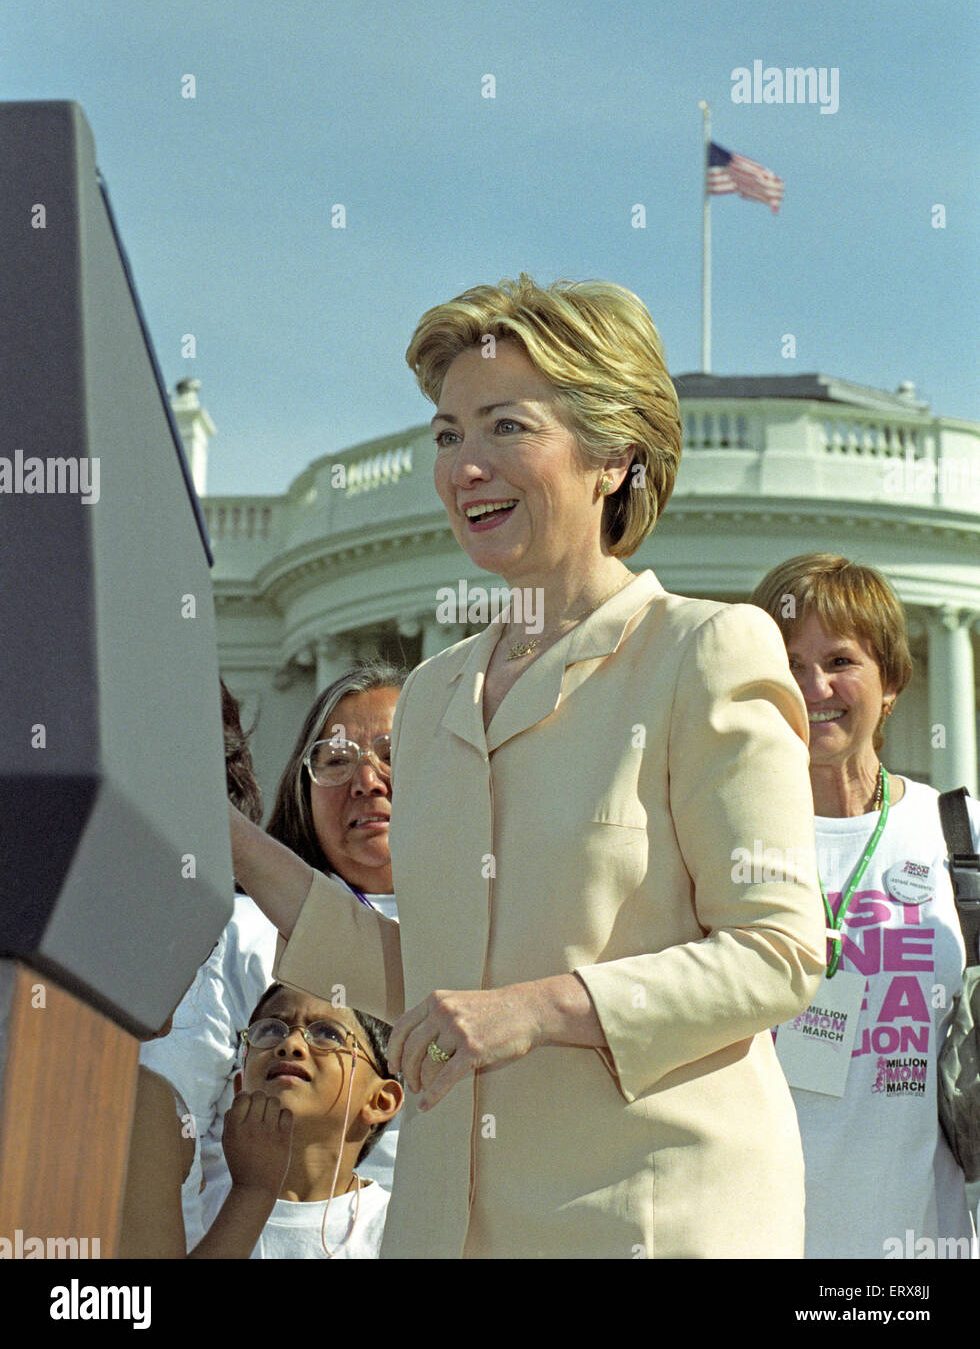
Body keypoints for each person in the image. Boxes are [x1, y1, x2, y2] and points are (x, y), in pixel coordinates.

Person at [231, 274, 826, 1258]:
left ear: (613, 456)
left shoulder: (706, 652)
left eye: (505, 427)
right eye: (447, 434)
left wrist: (541, 1007)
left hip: (650, 1226)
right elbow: (429, 985)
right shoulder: (430, 697)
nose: (466, 466)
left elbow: (776, 951)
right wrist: (236, 847)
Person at [750, 552, 978, 1259]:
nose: (813, 686)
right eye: (789, 662)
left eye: (841, 659)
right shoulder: (717, 837)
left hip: (920, 1247)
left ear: (891, 683)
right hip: (757, 1239)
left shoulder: (960, 832)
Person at [142, 666, 407, 1237]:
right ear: (302, 786)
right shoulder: (236, 932)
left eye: (395, 753)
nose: (367, 779)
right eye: (337, 760)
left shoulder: (491, 936)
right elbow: (171, 1121)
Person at [237, 984, 403, 1258]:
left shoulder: (403, 1231)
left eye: (328, 1033)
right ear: (239, 1088)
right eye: (270, 1030)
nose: (290, 1045)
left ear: (380, 1101)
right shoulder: (189, 1210)